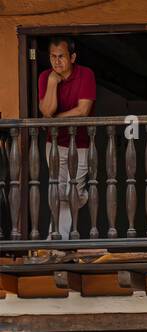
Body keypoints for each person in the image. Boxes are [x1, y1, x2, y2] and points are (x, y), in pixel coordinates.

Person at [37, 36, 95, 240]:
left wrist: (56, 119)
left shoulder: (85, 74)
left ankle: (81, 197)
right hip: (53, 144)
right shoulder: (46, 77)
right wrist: (53, 83)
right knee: (58, 191)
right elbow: (46, 111)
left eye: (61, 56)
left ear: (73, 57)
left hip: (79, 145)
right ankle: (57, 239)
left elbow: (83, 110)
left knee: (73, 192)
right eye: (53, 57)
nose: (56, 61)